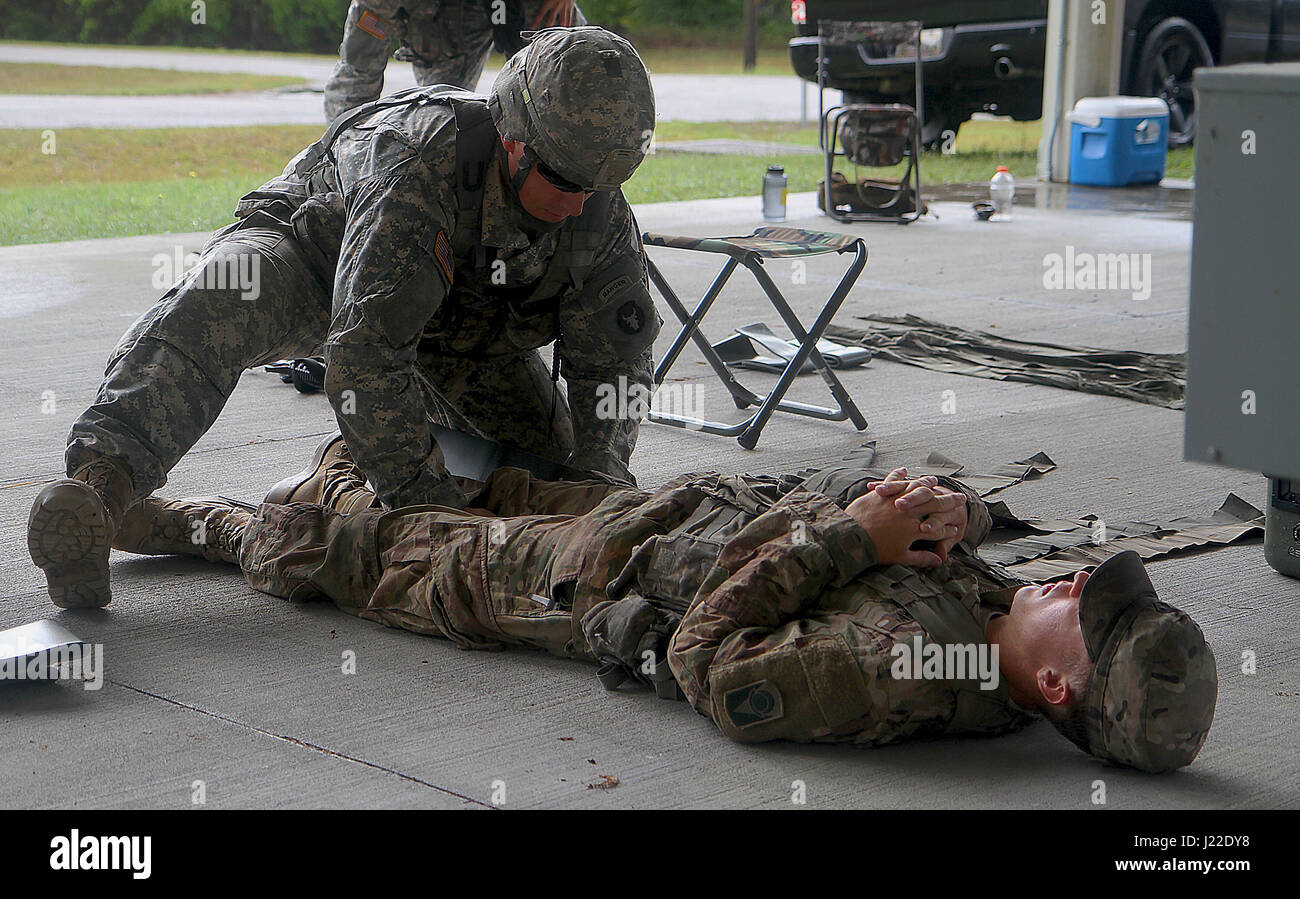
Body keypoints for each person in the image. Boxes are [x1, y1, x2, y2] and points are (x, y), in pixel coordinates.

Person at [109, 435, 1218, 773]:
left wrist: (851, 534)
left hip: (585, 579)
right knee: (450, 474)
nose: (1074, 579)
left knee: (357, 546)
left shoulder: (900, 675)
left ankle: (174, 519)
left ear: (1061, 683)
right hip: (656, 512)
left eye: (1087, 607)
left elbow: (709, 655)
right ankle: (335, 472)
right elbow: (923, 547)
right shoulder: (988, 618)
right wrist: (936, 512)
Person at [27, 27, 660, 610]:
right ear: (513, 139)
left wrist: (599, 485)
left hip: (461, 330)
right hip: (316, 263)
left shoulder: (596, 210)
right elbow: (366, 355)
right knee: (220, 302)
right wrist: (424, 506)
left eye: (600, 185)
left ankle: (183, 522)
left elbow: (615, 367)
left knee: (546, 478)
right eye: (563, 179)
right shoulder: (418, 165)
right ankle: (101, 494)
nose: (580, 204)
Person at [324, 0, 585, 121]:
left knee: (571, 69)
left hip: (521, 5)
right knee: (442, 120)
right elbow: (355, 78)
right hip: (444, 23)